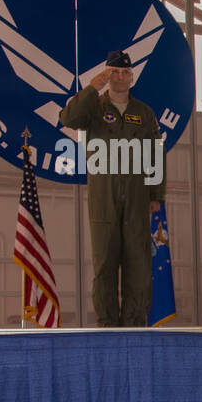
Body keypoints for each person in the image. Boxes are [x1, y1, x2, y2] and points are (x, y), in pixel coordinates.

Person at [59, 50, 163, 327]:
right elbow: (68, 119)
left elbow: (155, 154)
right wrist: (92, 87)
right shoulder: (94, 107)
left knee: (139, 263)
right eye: (114, 72)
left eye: (124, 73)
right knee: (104, 262)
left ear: (132, 77)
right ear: (106, 74)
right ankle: (106, 323)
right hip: (103, 194)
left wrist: (156, 195)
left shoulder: (144, 112)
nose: (119, 77)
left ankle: (134, 322)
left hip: (137, 194)